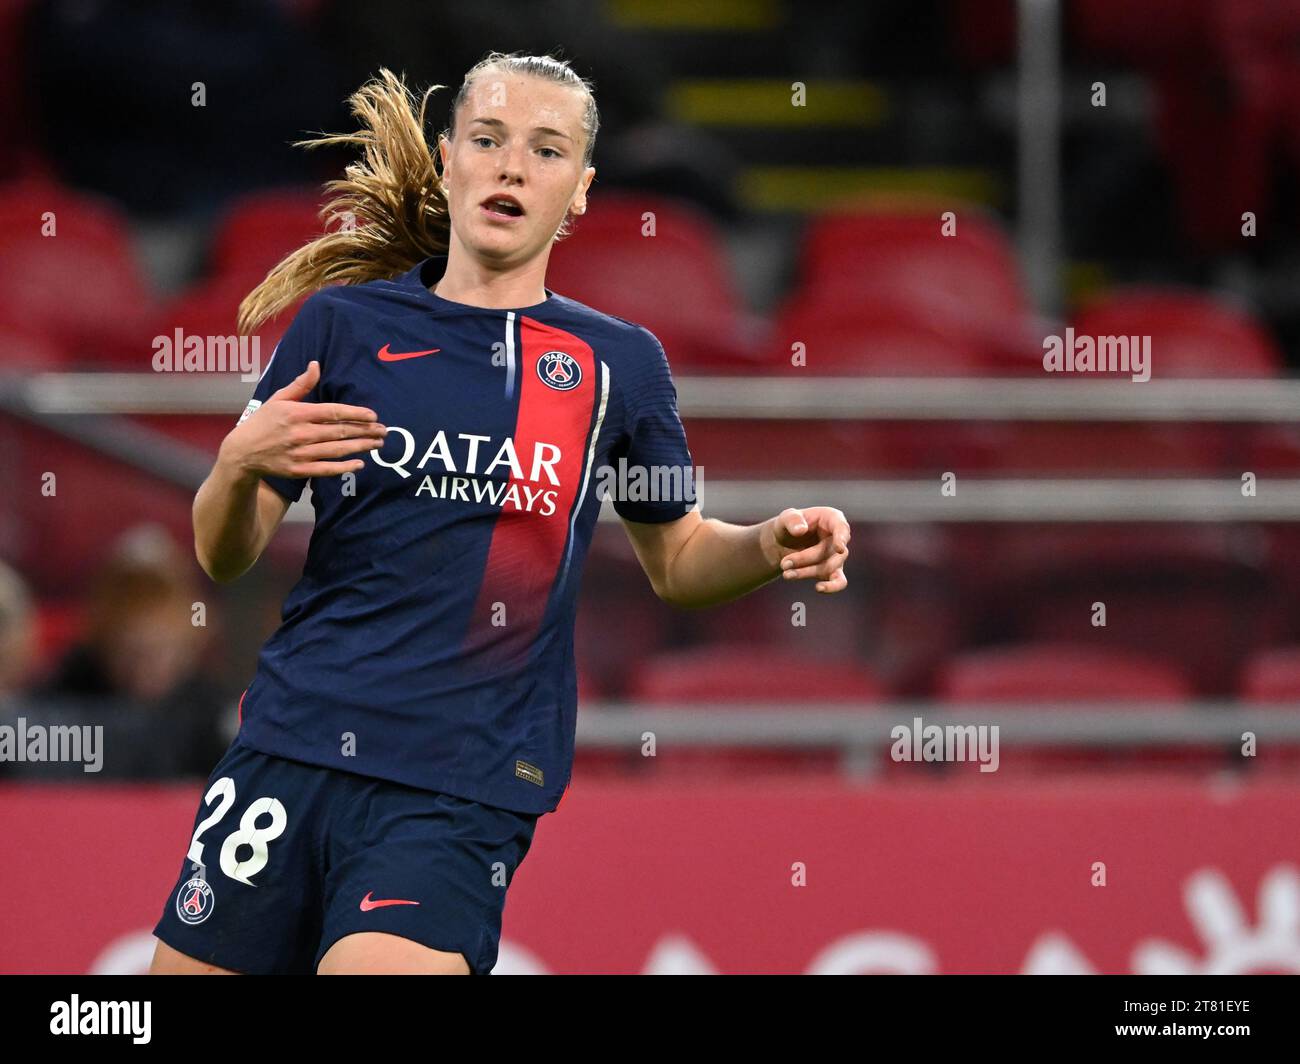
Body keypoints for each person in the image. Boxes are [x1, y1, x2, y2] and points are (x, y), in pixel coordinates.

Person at [150, 52, 850, 976]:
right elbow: (223, 552)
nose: (513, 166)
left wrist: (768, 544)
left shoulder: (618, 365)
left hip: (457, 779)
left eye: (547, 150)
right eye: (488, 139)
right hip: (290, 742)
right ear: (449, 160)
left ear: (582, 188)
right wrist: (239, 462)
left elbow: (678, 560)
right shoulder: (340, 327)